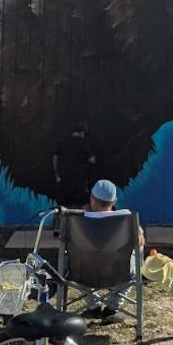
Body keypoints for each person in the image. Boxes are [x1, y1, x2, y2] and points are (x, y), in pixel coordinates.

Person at [81, 179, 147, 322]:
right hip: (119, 272)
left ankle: (93, 305)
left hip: (84, 272)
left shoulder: (77, 220)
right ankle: (113, 307)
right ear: (114, 201)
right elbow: (141, 241)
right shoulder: (125, 219)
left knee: (72, 262)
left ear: (92, 198)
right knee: (137, 254)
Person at [53, 123, 97, 208]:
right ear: (82, 132)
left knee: (64, 207)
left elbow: (55, 158)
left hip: (64, 180)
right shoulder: (84, 143)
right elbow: (92, 160)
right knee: (80, 207)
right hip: (79, 182)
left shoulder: (63, 142)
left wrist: (57, 175)